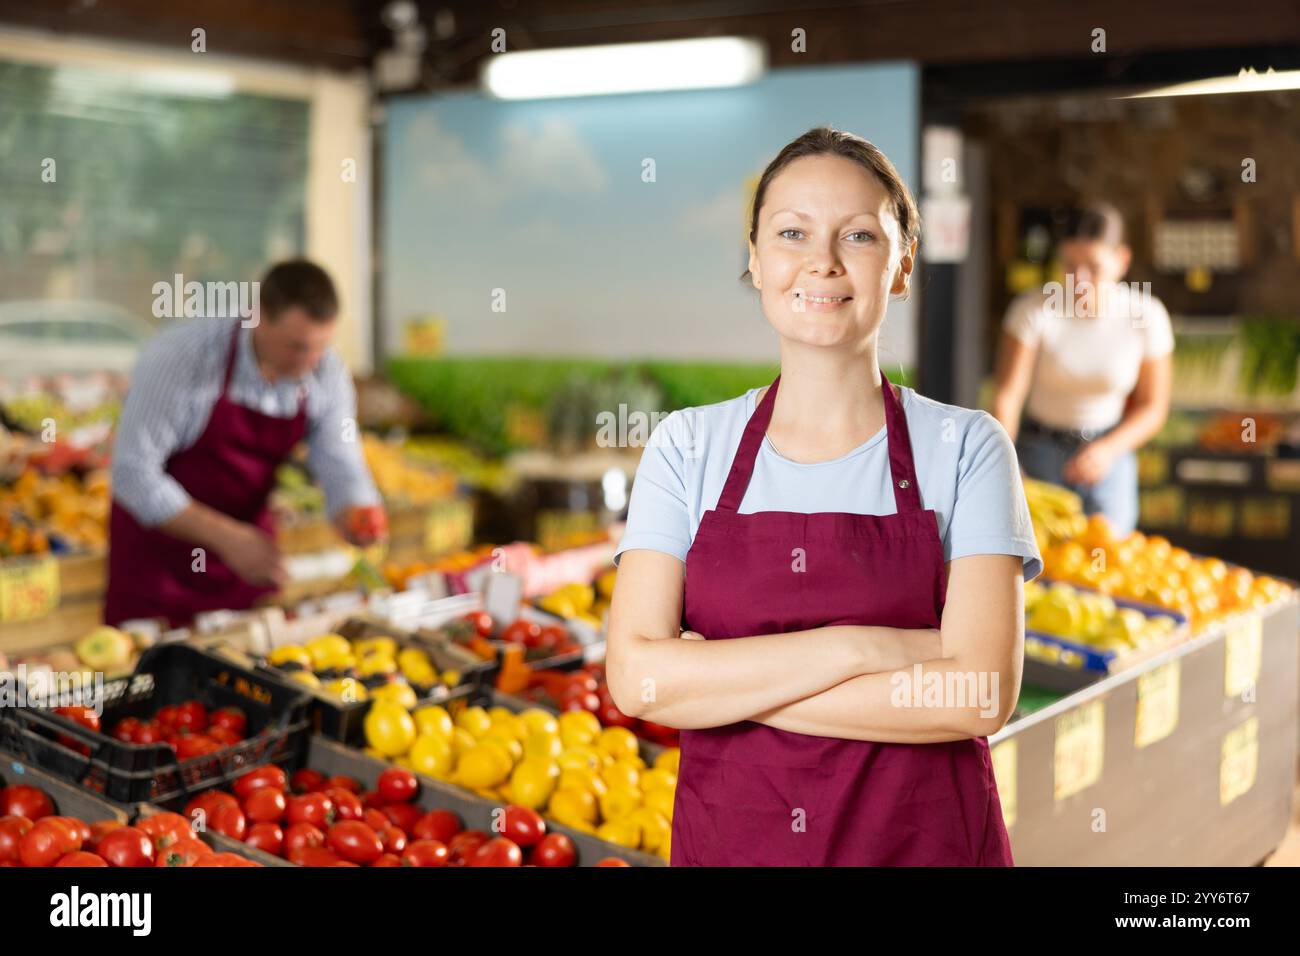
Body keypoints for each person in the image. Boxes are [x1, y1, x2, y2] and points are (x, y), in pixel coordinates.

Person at [606, 126, 1040, 866]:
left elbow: (977, 695)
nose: (823, 262)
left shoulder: (967, 448)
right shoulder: (686, 446)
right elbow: (638, 682)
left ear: (902, 265)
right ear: (755, 258)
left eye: (861, 236)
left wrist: (722, 684)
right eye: (792, 232)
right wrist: (866, 648)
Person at [105, 259, 386, 628]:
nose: (307, 362)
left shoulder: (325, 370)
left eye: (319, 347)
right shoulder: (183, 357)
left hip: (245, 571)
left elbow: (339, 455)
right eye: (296, 347)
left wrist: (355, 507)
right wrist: (229, 539)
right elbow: (131, 473)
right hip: (158, 570)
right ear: (258, 316)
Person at [991, 202, 1173, 536]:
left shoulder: (1147, 315)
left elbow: (1153, 407)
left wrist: (1108, 450)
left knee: (1111, 557)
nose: (1080, 280)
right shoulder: (1032, 310)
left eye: (1093, 266)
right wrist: (1009, 467)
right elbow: (1007, 397)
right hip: (1039, 451)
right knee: (1041, 561)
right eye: (1070, 265)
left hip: (1110, 455)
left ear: (1122, 260)